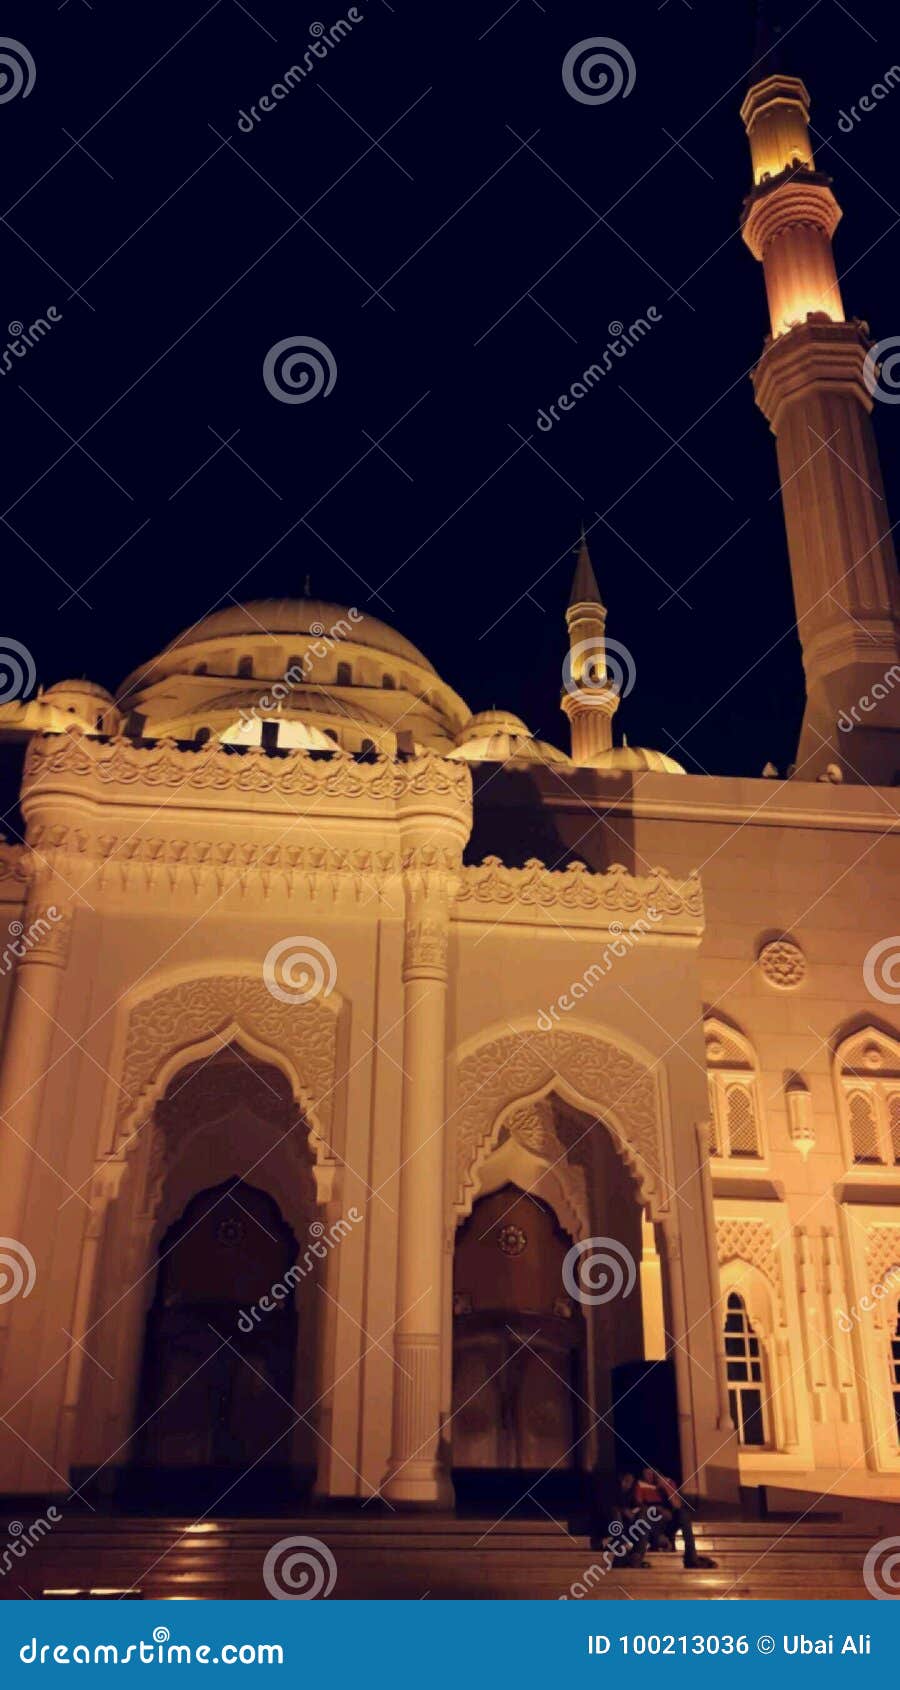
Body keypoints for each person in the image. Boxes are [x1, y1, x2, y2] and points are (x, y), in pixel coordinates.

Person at [633, 1466, 716, 1570]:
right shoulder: (641, 1485)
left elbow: (677, 1505)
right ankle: (637, 1557)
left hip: (669, 1523)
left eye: (651, 1474)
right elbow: (639, 1504)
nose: (649, 1477)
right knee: (644, 1513)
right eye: (646, 1474)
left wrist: (665, 1488)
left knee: (683, 1514)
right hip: (653, 1525)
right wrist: (657, 1509)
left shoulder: (668, 1483)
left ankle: (691, 1558)